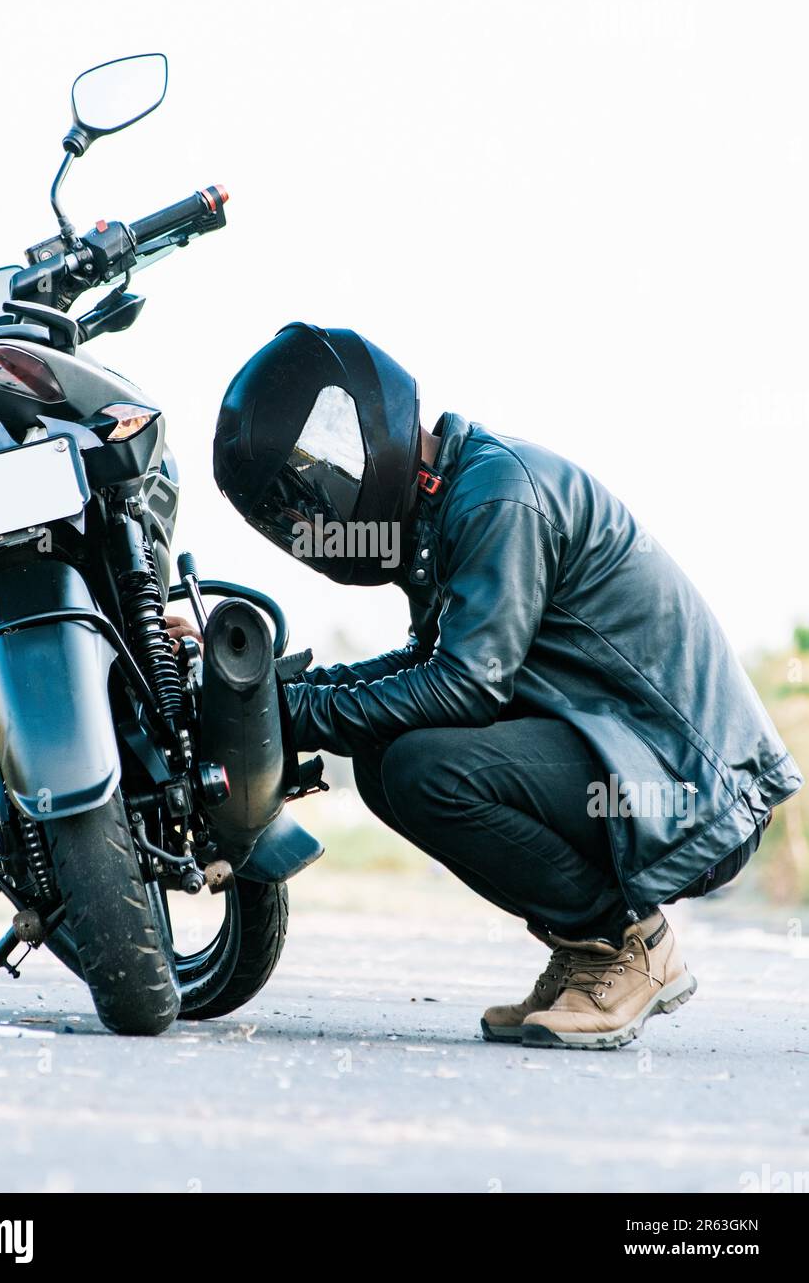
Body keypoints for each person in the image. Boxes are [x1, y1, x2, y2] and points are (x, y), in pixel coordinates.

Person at [175, 321, 803, 1050]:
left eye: (309, 489)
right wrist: (276, 694)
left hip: (693, 787)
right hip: (625, 754)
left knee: (421, 769)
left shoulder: (497, 498)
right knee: (384, 758)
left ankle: (626, 946)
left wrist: (294, 708)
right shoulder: (453, 500)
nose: (309, 517)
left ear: (363, 428)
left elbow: (464, 689)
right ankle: (583, 950)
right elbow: (428, 668)